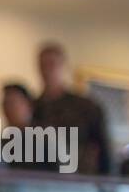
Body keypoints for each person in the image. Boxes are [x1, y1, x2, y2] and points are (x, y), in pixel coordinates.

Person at [33, 42, 111, 174]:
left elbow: (104, 150)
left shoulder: (85, 107)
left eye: (52, 64)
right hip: (43, 178)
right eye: (43, 65)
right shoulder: (34, 107)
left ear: (63, 66)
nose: (47, 71)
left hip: (79, 179)